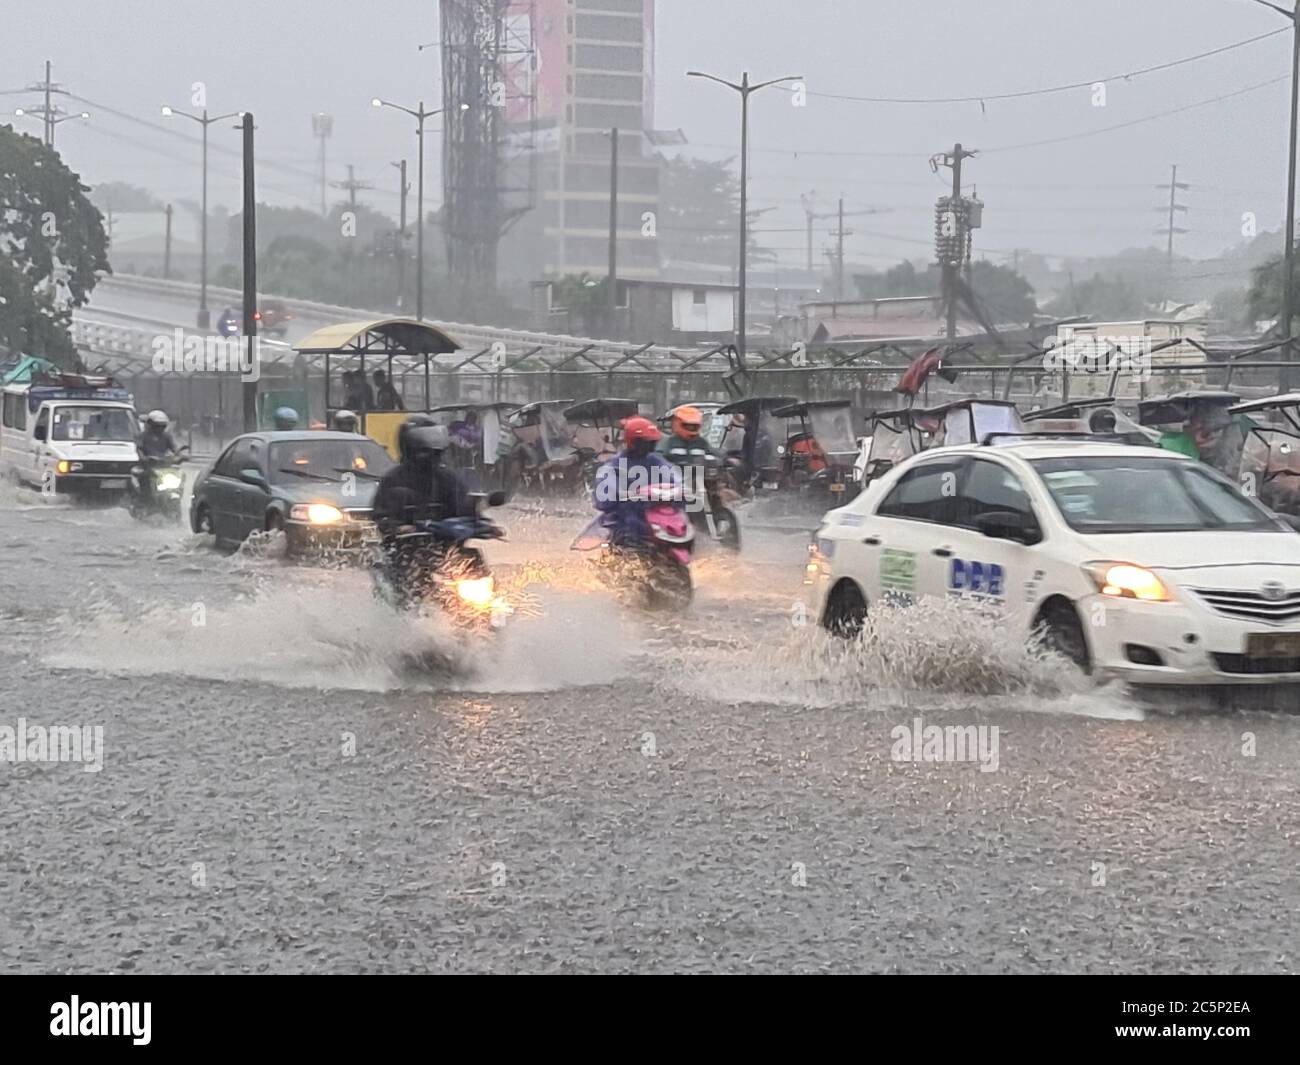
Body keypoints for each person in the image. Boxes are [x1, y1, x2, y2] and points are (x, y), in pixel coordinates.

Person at [372, 416, 476, 537]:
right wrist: (398, 528)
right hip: (406, 546)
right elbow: (381, 516)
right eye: (425, 443)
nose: (431, 450)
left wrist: (481, 521)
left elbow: (464, 507)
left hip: (446, 542)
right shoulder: (393, 480)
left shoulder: (447, 478)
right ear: (410, 445)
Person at [593, 416, 681, 545]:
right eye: (646, 443)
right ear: (633, 442)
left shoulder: (657, 461)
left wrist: (682, 489)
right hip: (627, 517)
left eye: (652, 443)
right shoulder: (615, 465)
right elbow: (604, 496)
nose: (650, 446)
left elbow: (675, 478)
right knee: (630, 527)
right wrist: (622, 495)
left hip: (657, 514)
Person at [135, 409, 179, 502]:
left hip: (163, 467)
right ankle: (144, 500)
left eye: (162, 426)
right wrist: (143, 457)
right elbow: (139, 448)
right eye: (157, 426)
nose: (159, 428)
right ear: (150, 425)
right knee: (144, 480)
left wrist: (179, 456)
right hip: (148, 467)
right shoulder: (143, 436)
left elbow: (174, 449)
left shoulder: (167, 436)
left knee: (177, 477)